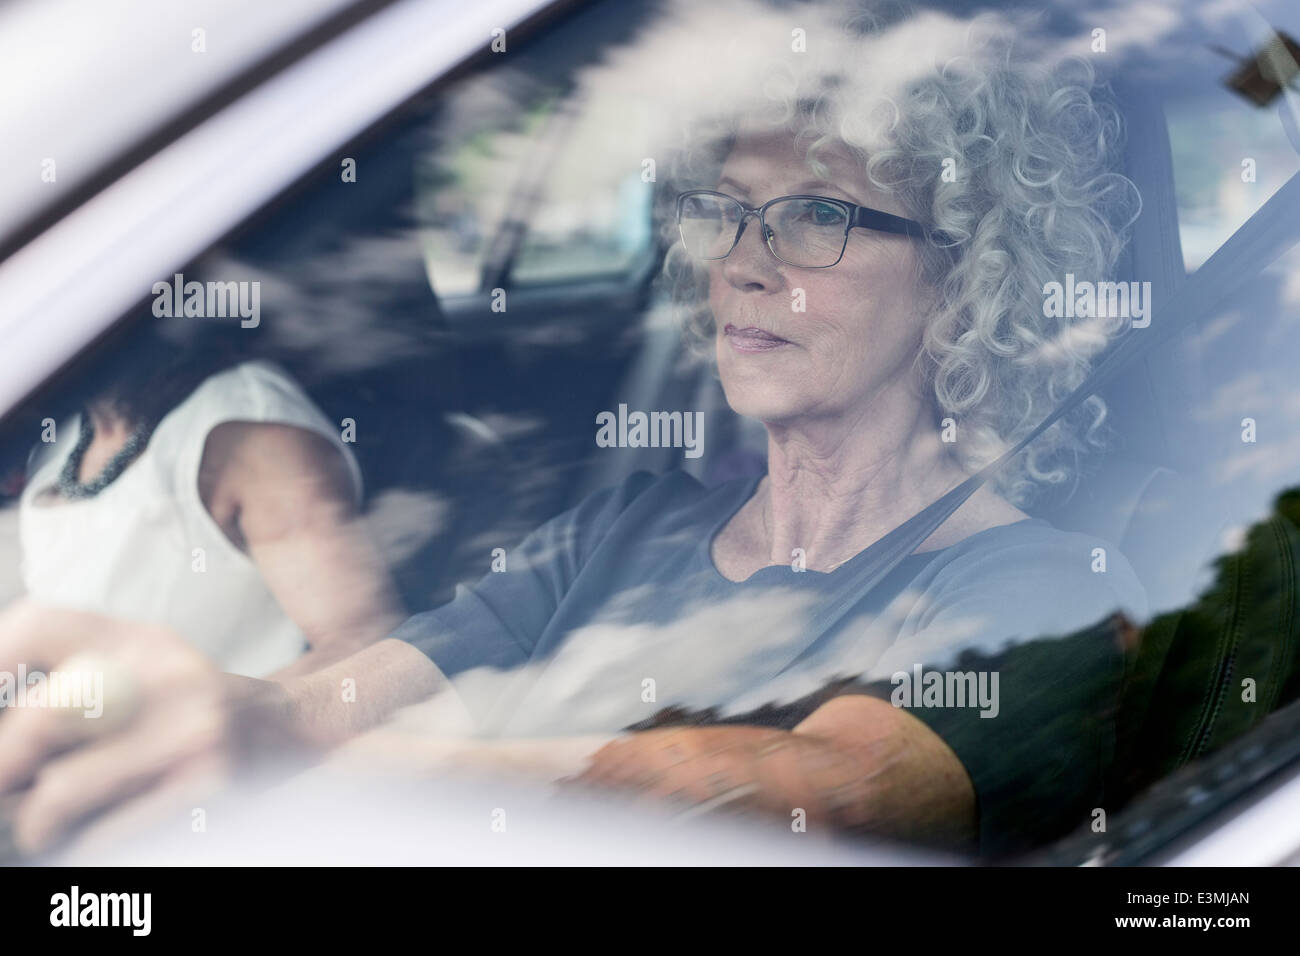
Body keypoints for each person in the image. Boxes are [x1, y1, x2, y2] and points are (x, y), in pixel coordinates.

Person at [0, 9, 1148, 857]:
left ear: (964, 272)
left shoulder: (1044, 583)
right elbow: (337, 695)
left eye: (814, 214)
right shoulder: (626, 523)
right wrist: (149, 721)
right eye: (721, 212)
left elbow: (832, 788)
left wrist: (283, 764)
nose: (742, 262)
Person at [14, 323, 405, 678]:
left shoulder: (252, 439)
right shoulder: (65, 437)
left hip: (224, 751)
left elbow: (370, 645)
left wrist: (199, 729)